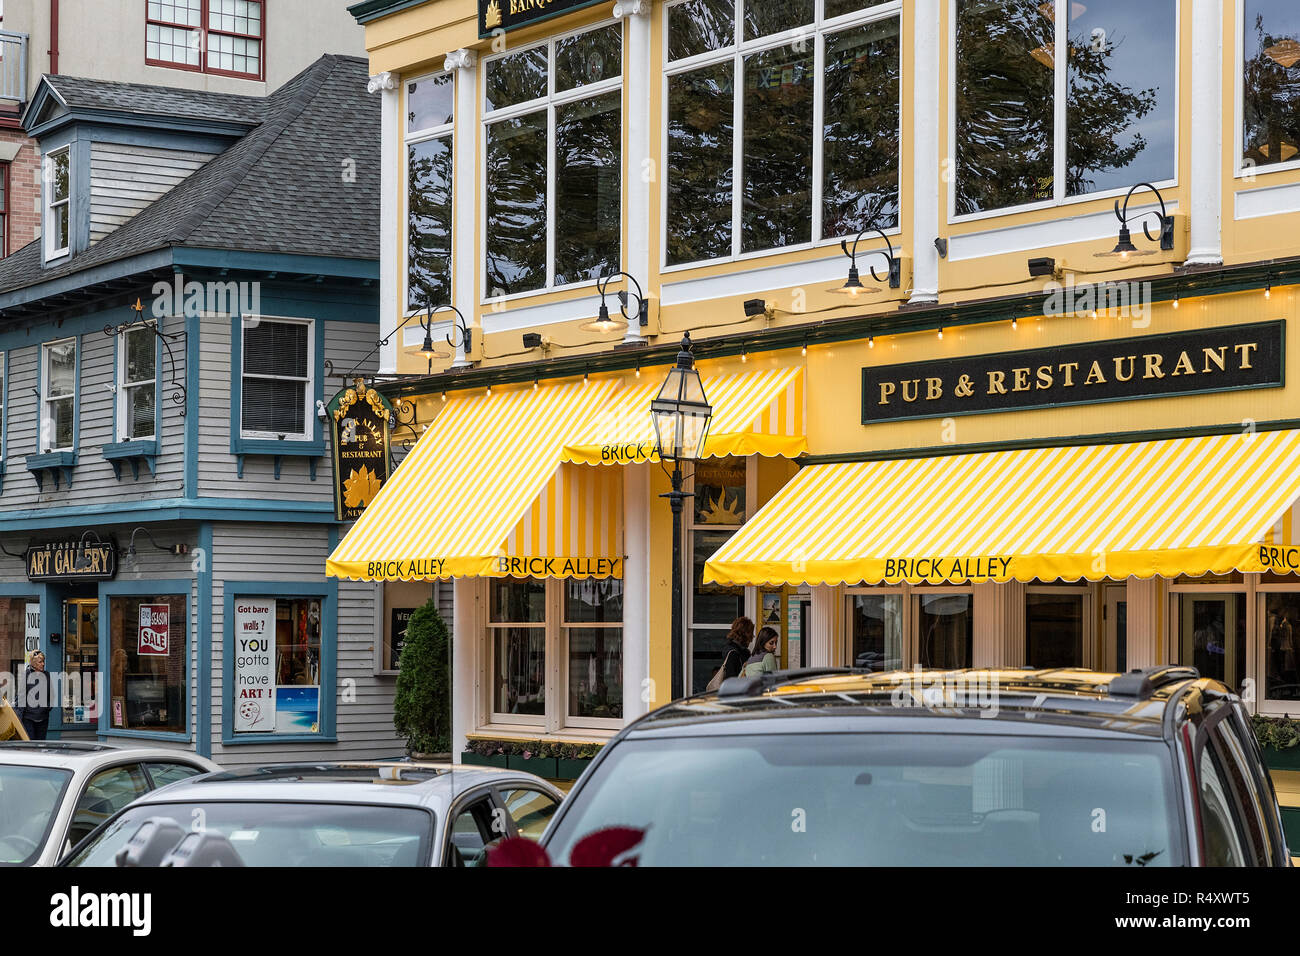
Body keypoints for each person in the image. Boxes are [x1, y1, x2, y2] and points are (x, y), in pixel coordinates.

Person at [704, 617, 754, 692]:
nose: (752, 637)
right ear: (745, 634)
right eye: (751, 633)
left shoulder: (731, 648)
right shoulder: (734, 653)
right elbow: (732, 679)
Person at [17, 651, 52, 741]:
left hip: (43, 718)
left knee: (41, 744)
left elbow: (51, 694)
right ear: (34, 663)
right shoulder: (26, 675)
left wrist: (47, 707)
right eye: (40, 662)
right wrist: (19, 717)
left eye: (43, 661)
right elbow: (21, 696)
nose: (43, 664)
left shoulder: (47, 675)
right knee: (30, 744)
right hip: (28, 718)